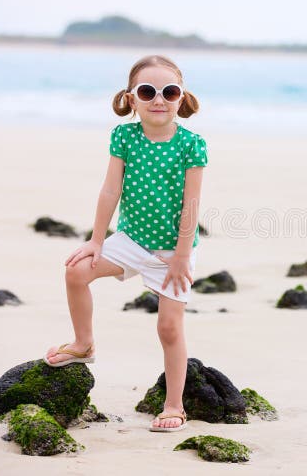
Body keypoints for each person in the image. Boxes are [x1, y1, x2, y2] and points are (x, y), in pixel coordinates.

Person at [43, 54, 208, 432]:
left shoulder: (191, 145)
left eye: (169, 91)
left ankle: (174, 405)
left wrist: (182, 257)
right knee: (76, 271)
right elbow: (110, 190)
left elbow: (191, 205)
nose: (159, 99)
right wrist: (96, 242)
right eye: (147, 91)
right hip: (130, 240)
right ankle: (84, 344)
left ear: (181, 98)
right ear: (132, 98)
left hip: (173, 251)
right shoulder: (124, 136)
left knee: (169, 327)